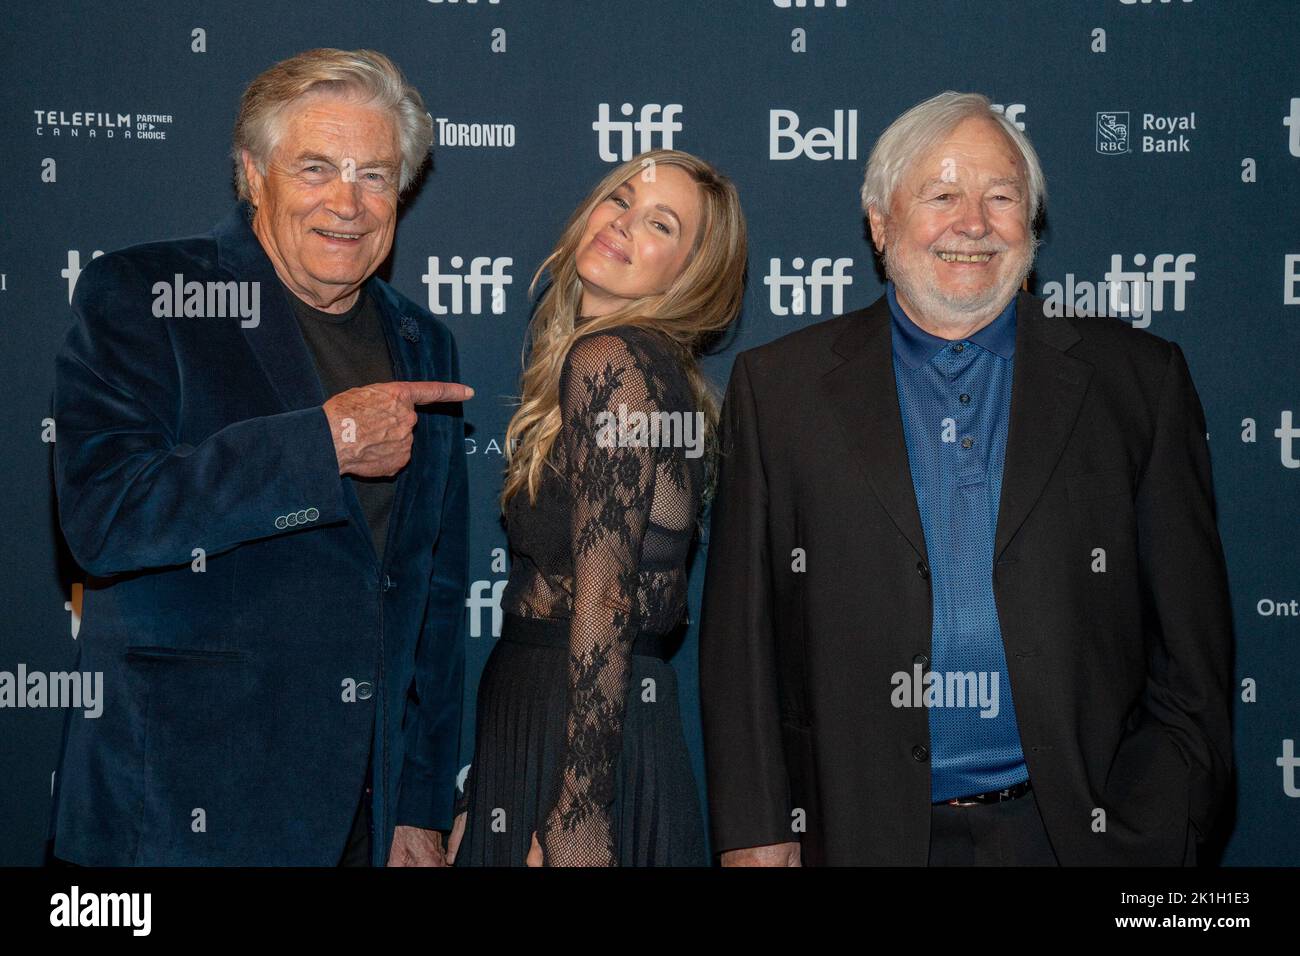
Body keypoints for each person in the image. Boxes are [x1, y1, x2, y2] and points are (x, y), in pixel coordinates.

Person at [699, 91, 1232, 866]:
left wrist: (1159, 825)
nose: (974, 224)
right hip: (858, 834)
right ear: (881, 224)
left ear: (1032, 226)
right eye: (942, 195)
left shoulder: (1138, 383)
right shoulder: (778, 391)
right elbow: (742, 644)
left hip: (1076, 840)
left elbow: (1195, 653)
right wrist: (756, 831)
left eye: (1002, 197)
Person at [49, 48, 471, 866]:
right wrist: (325, 443)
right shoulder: (146, 295)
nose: (347, 202)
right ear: (253, 174)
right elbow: (103, 518)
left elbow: (435, 600)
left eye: (375, 175)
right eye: (315, 167)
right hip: (175, 814)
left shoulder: (424, 341)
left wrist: (419, 800)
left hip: (359, 819)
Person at [447, 149, 747, 866]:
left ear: (690, 274)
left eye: (661, 225)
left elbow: (607, 594)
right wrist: (480, 796)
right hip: (564, 726)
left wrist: (579, 818)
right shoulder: (634, 367)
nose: (622, 223)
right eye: (619, 199)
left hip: (577, 737)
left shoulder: (610, 362)